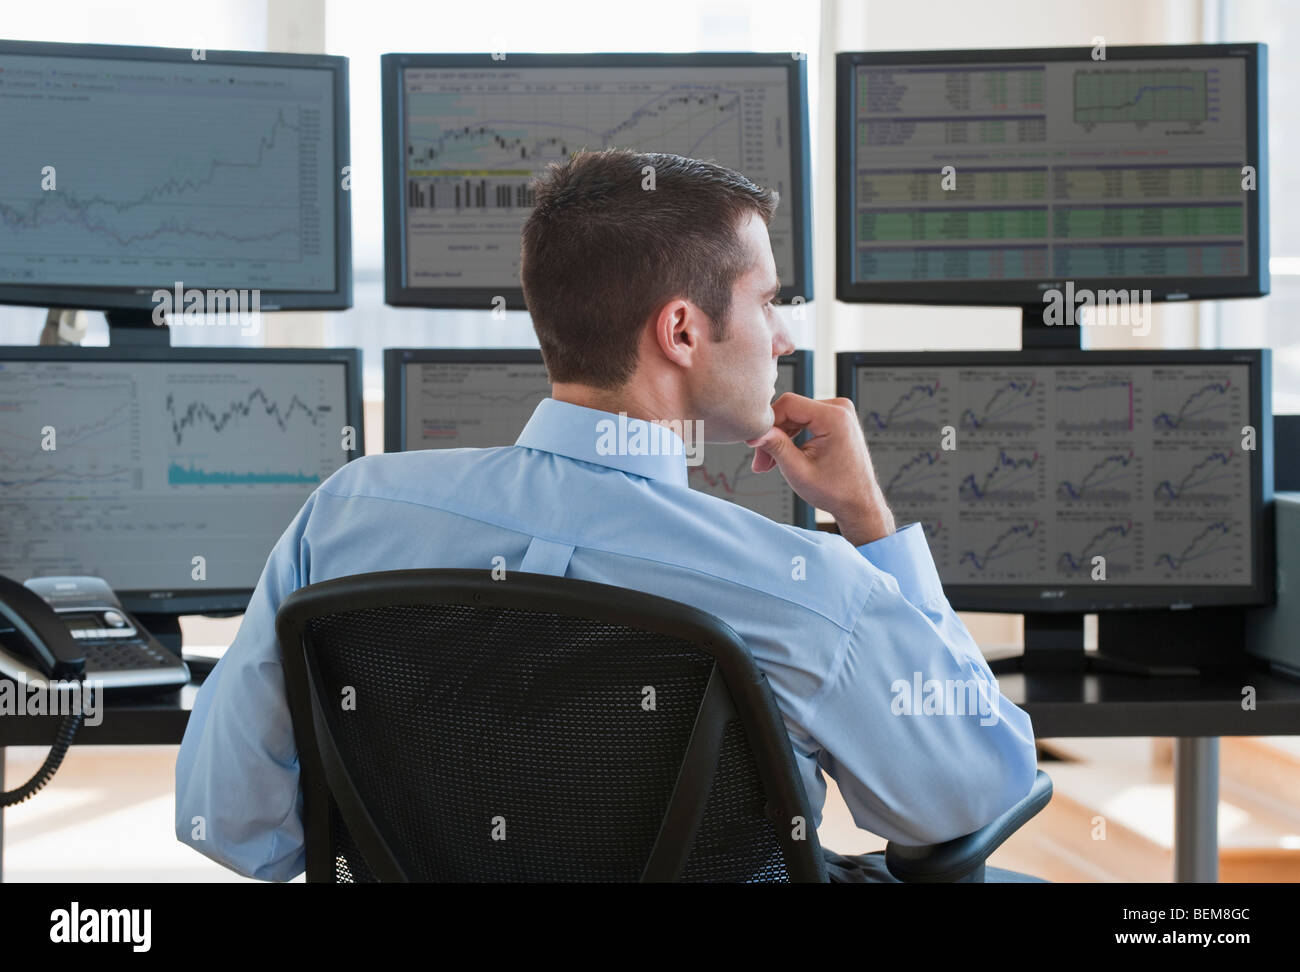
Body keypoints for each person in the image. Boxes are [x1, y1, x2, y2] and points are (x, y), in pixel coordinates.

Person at [175, 149, 1039, 882]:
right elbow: (969, 800)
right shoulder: (806, 588)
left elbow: (233, 823)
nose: (781, 338)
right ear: (682, 331)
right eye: (768, 301)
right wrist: (869, 523)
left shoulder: (344, 517)